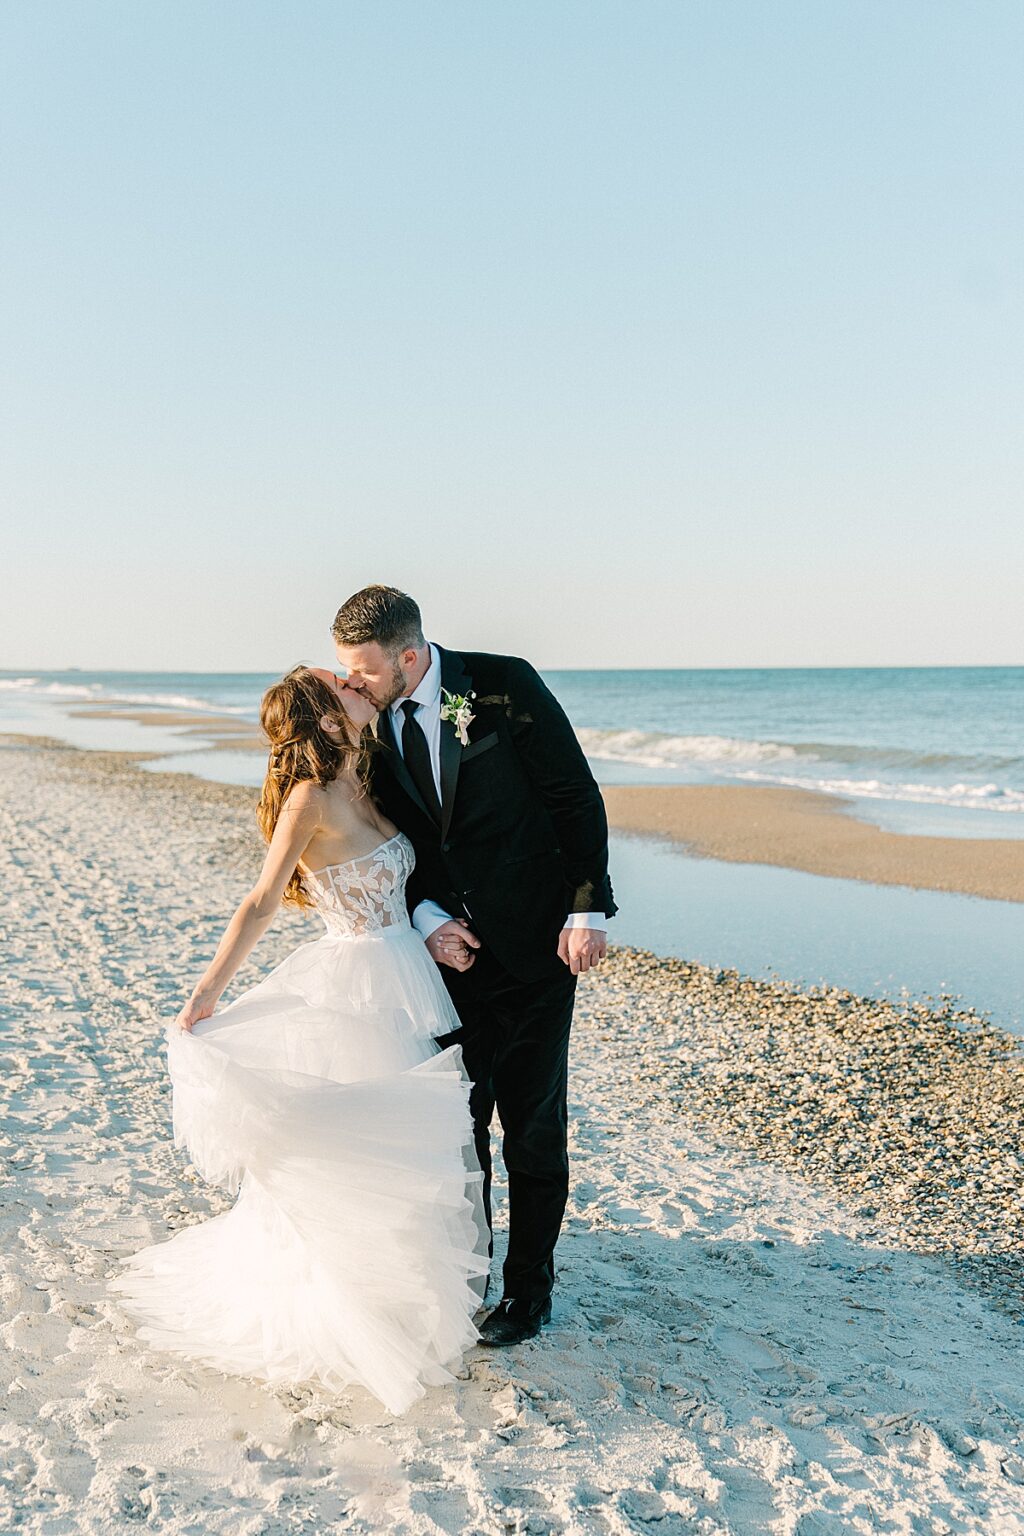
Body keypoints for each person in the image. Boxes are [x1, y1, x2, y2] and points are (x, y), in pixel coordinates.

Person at [108, 667, 490, 1417]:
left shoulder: (365, 775)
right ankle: (353, 1310)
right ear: (320, 714)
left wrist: (432, 928)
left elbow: (395, 888)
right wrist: (206, 995)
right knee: (363, 1150)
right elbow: (259, 901)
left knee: (411, 1146)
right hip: (352, 987)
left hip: (403, 972)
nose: (355, 683)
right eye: (338, 683)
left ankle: (406, 1293)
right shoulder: (309, 799)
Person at [325, 585, 617, 1346]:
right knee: (458, 1127)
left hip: (536, 951)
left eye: (362, 671)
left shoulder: (504, 685)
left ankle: (528, 1293)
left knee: (531, 1128)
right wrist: (422, 920)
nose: (351, 684)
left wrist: (586, 910)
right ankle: (466, 1281)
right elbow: (391, 841)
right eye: (343, 672)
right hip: (444, 965)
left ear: (411, 656)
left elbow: (573, 796)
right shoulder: (365, 727)